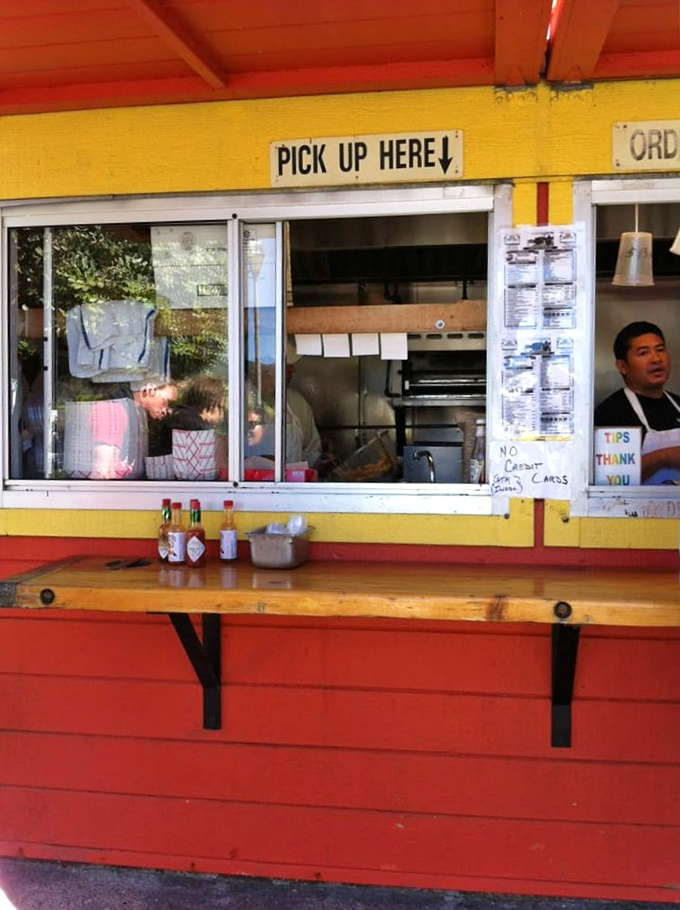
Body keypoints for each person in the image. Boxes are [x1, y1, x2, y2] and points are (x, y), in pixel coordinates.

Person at [594, 321, 680, 484]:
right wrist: (663, 457)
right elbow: (611, 479)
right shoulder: (611, 412)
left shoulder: (677, 403)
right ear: (622, 366)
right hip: (634, 509)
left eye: (660, 350)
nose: (656, 359)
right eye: (643, 353)